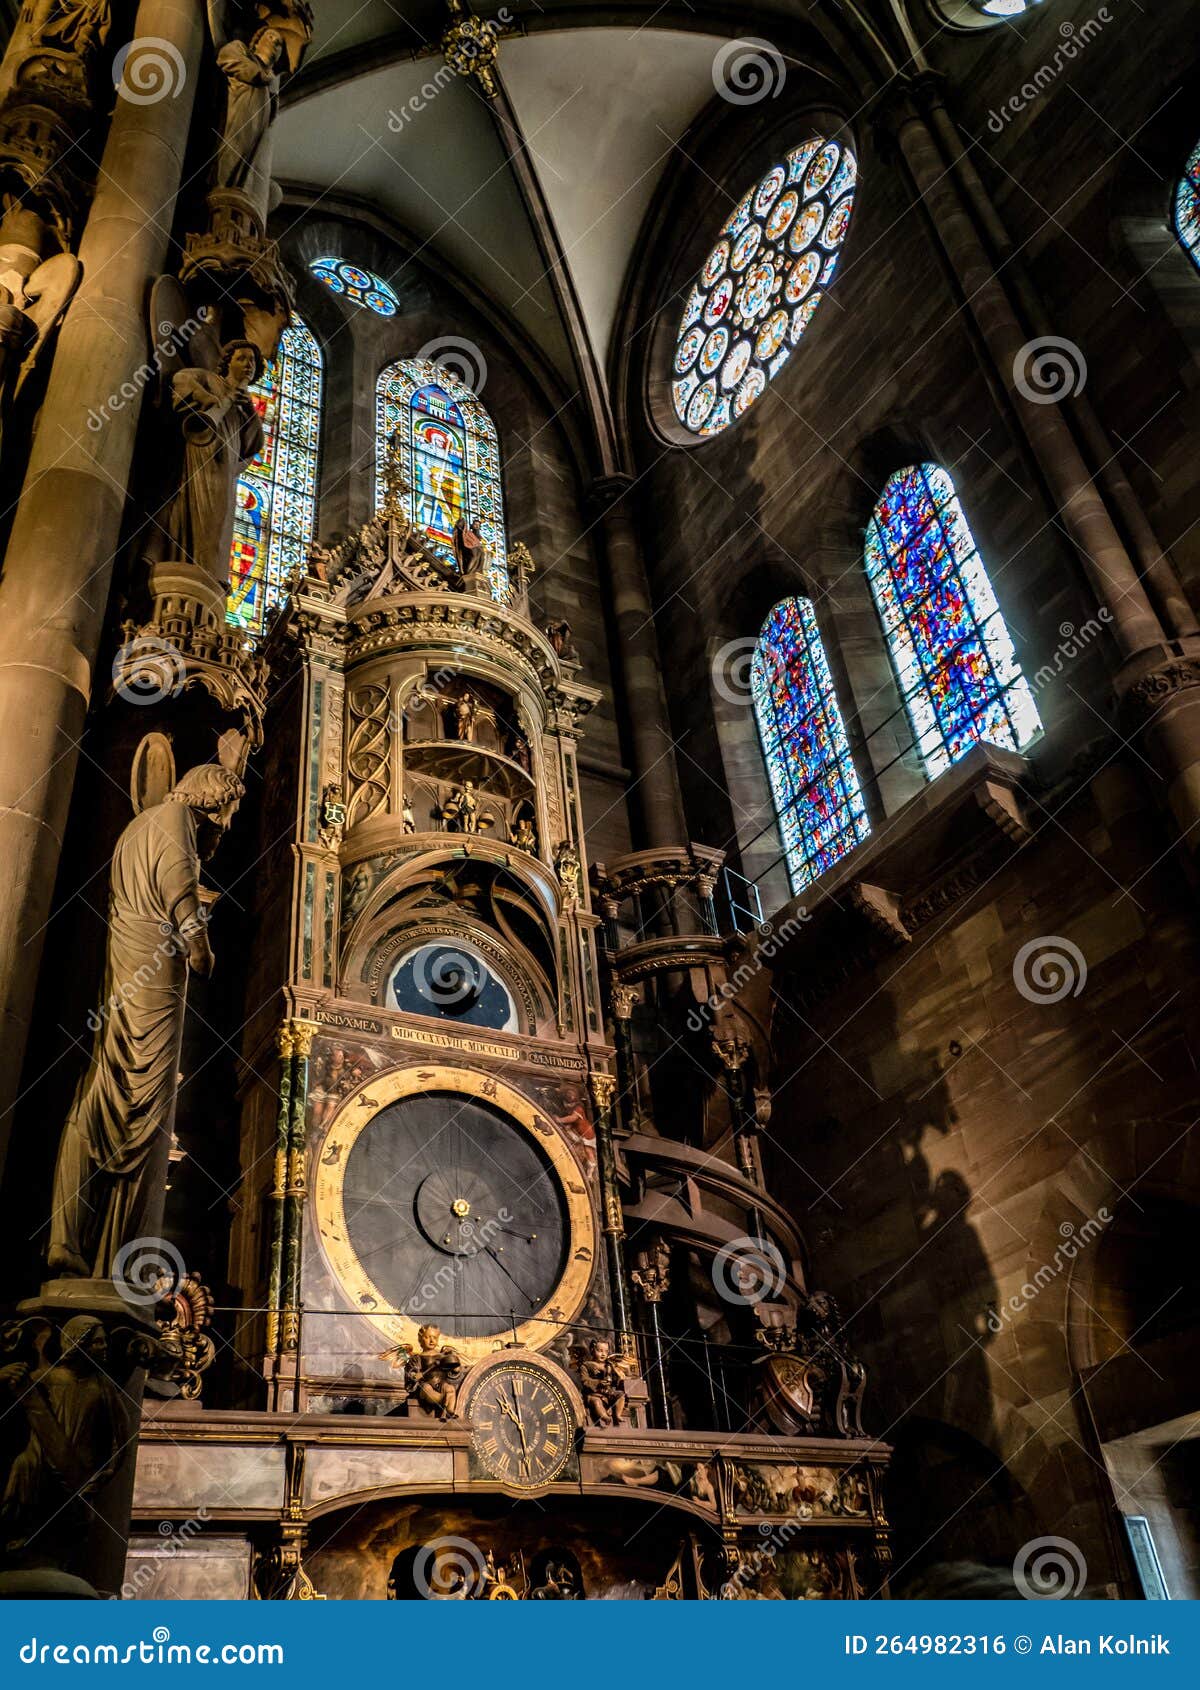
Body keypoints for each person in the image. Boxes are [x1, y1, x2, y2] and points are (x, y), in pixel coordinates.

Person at [47, 764, 244, 1278]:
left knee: (109, 1089)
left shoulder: (137, 826)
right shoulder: (176, 817)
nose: (226, 826)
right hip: (153, 968)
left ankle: (76, 1238)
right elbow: (180, 886)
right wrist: (201, 948)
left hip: (128, 960)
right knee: (143, 1098)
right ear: (214, 802)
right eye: (228, 812)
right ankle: (115, 1251)